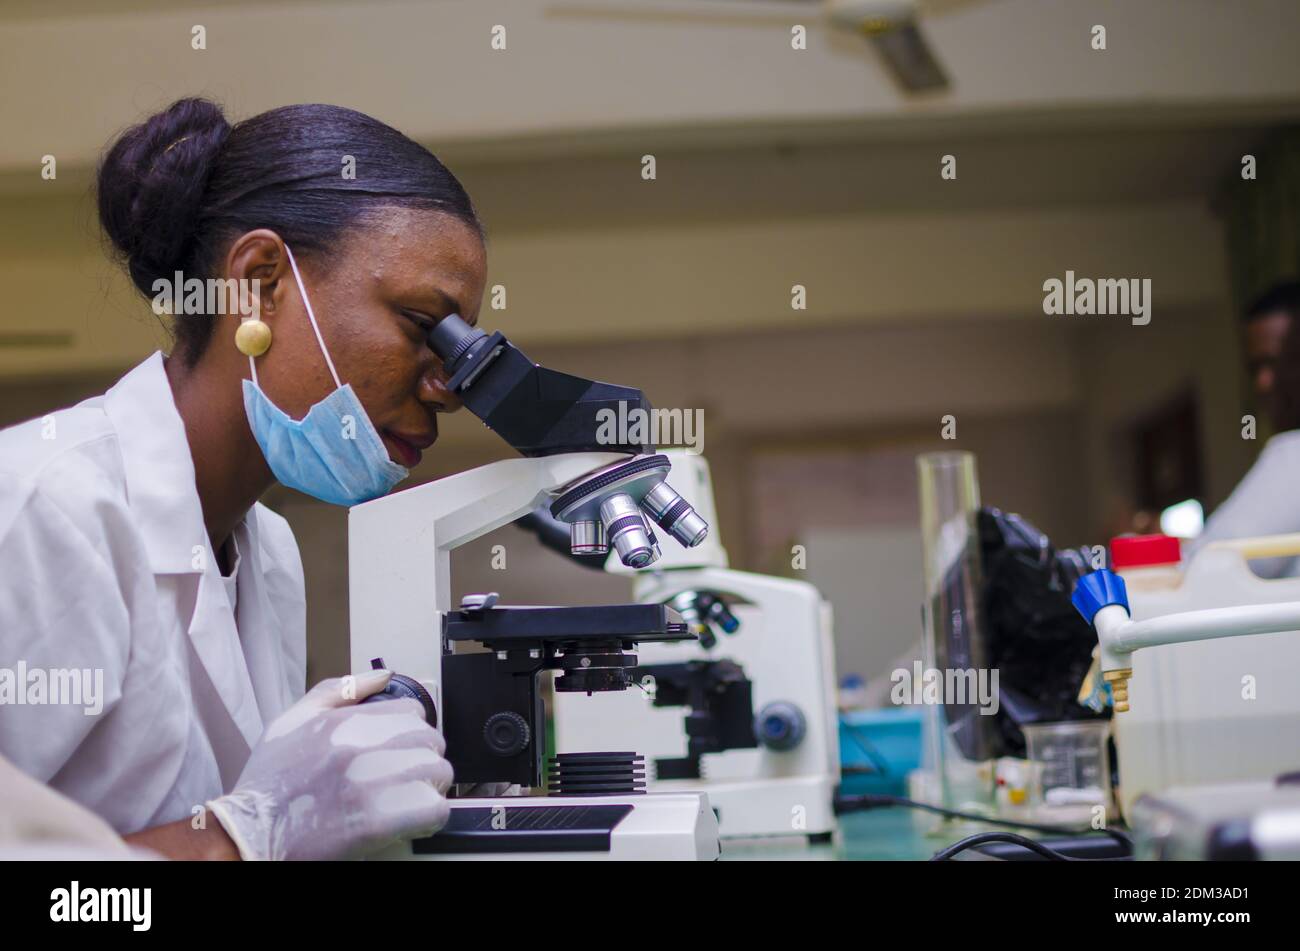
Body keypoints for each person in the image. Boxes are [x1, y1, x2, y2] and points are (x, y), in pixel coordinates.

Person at [0, 97, 486, 859]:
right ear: (260, 283)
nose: (448, 387)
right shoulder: (43, 508)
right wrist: (249, 832)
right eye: (426, 326)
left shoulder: (269, 552)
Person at [1189, 280, 1300, 577]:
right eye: (1255, 368)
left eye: (1281, 363)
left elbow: (1208, 571)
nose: (1264, 382)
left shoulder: (1295, 455)